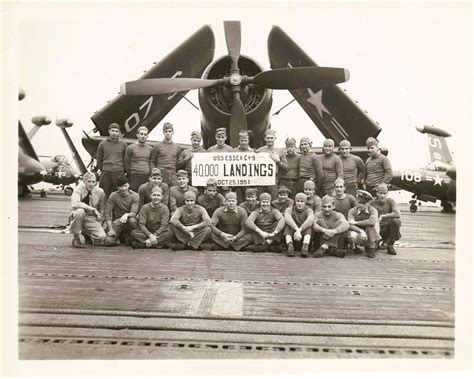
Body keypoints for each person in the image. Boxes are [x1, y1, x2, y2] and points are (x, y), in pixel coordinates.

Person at [69, 172, 114, 248]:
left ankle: (87, 234)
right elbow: (75, 203)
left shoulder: (100, 192)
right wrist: (92, 209)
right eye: (88, 181)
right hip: (78, 215)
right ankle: (76, 238)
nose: (91, 184)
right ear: (84, 182)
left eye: (93, 182)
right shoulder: (78, 189)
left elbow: (102, 208)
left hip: (91, 218)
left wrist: (100, 222)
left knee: (102, 237)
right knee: (80, 211)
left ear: (96, 182)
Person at [104, 175, 139, 245]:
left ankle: (129, 237)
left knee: (132, 221)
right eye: (121, 186)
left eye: (125, 186)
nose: (123, 189)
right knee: (108, 242)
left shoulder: (135, 196)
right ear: (117, 187)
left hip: (129, 220)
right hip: (118, 221)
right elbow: (107, 213)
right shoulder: (113, 196)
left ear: (129, 185)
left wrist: (127, 215)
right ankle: (119, 235)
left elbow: (134, 212)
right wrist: (111, 229)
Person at [96, 123, 128, 198]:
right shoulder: (102, 144)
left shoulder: (123, 144)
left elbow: (125, 160)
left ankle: (116, 210)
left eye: (116, 131)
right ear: (109, 131)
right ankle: (103, 210)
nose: (114, 133)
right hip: (106, 172)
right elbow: (99, 159)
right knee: (103, 194)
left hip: (119, 173)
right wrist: (104, 169)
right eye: (112, 130)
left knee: (118, 195)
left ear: (119, 132)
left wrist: (122, 171)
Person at [369, 183, 401, 255]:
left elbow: (398, 214)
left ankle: (390, 245)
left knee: (396, 222)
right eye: (380, 193)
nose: (382, 195)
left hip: (386, 228)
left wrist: (384, 216)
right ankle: (375, 243)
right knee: (370, 249)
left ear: (387, 194)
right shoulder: (371, 202)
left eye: (384, 193)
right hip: (375, 229)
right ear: (376, 193)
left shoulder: (390, 201)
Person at [347, 190, 380, 258]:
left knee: (374, 224)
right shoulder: (352, 211)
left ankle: (371, 248)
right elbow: (350, 224)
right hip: (359, 233)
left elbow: (372, 221)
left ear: (368, 203)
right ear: (357, 202)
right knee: (351, 235)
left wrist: (357, 222)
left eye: (364, 203)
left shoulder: (372, 210)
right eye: (359, 202)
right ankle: (354, 247)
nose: (361, 205)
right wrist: (361, 231)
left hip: (370, 233)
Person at [257, 129, 288, 200]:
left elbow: (286, 168)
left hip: (272, 180)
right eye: (268, 138)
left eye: (271, 138)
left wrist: (278, 161)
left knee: (273, 200)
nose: (270, 140)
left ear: (275, 138)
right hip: (261, 180)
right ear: (265, 139)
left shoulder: (280, 151)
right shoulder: (260, 150)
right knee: (261, 199)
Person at [150, 122, 182, 186]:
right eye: (166, 131)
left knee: (173, 192)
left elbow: (179, 163)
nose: (168, 133)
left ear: (173, 132)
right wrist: (154, 171)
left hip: (173, 173)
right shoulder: (157, 146)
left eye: (169, 131)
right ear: (163, 132)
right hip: (161, 173)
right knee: (161, 192)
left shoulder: (177, 147)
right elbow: (152, 161)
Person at [284, 192, 315, 258]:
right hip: (294, 234)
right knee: (287, 226)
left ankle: (305, 246)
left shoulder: (309, 210)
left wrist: (300, 230)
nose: (299, 203)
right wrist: (296, 229)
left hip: (303, 235)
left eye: (302, 201)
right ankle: (290, 245)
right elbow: (287, 218)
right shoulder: (289, 209)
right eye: (297, 201)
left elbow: (310, 219)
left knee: (309, 228)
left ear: (305, 202)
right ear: (295, 201)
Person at [124, 126, 152, 192]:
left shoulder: (150, 149)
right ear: (137, 135)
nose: (143, 136)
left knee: (145, 196)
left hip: (146, 176)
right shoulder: (130, 148)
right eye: (141, 134)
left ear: (147, 136)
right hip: (134, 176)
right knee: (134, 194)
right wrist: (131, 173)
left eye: (145, 134)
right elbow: (126, 163)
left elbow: (152, 162)